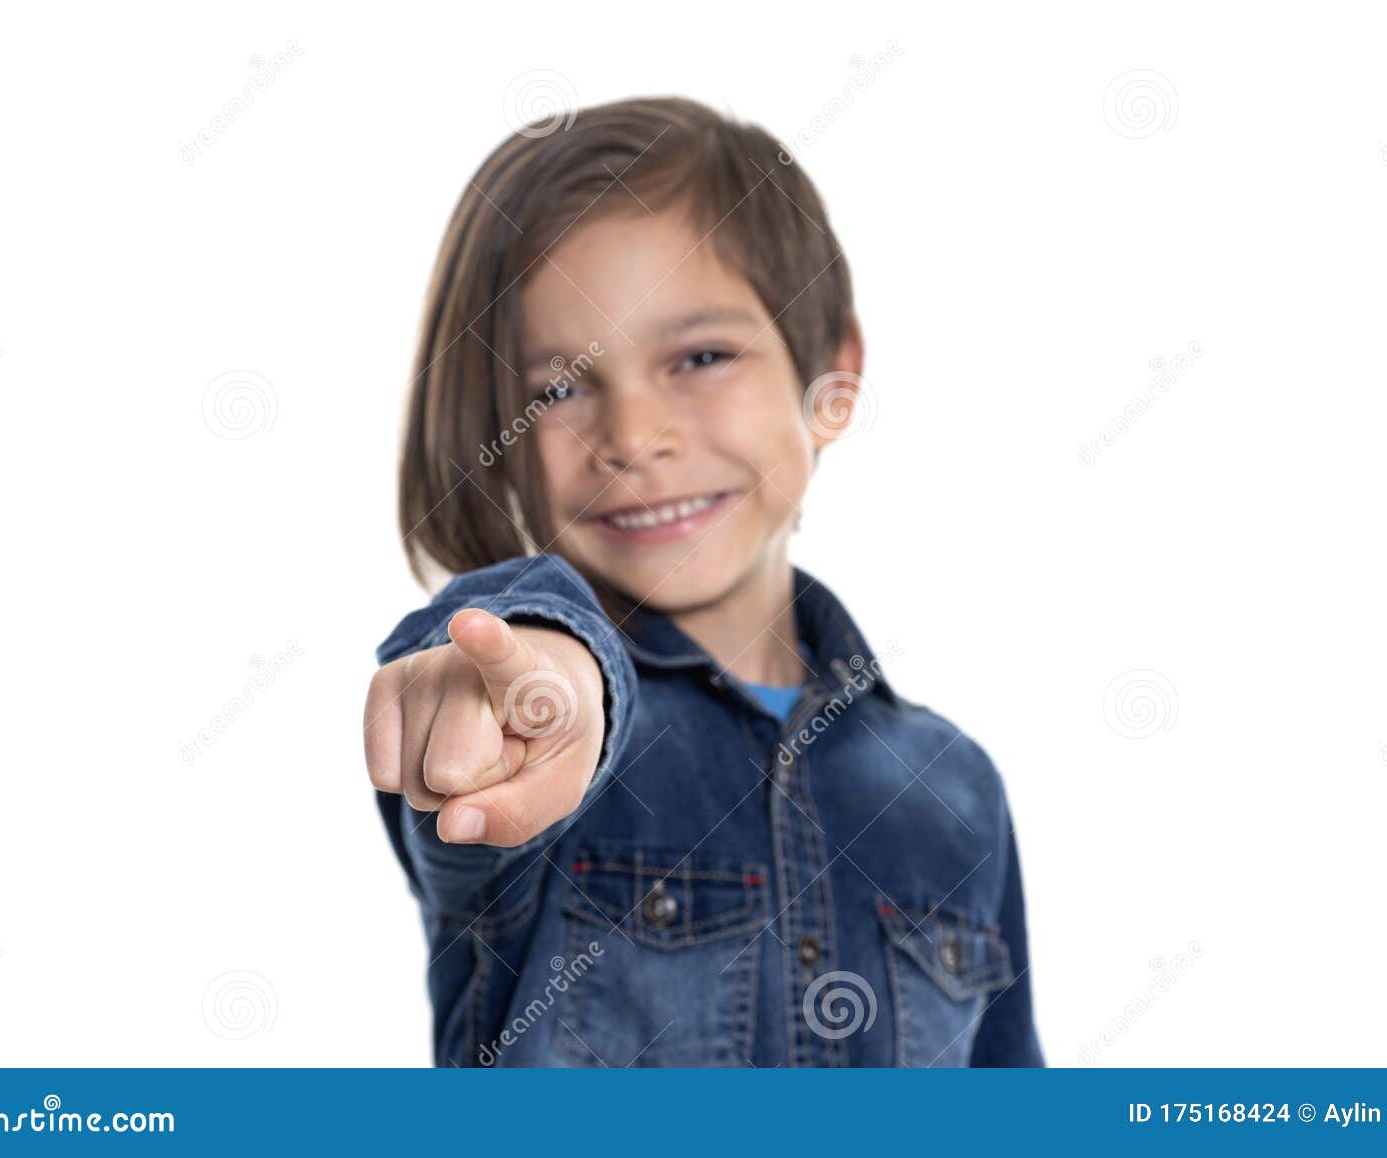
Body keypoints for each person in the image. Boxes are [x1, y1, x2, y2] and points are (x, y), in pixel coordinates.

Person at [363, 97, 1043, 1067]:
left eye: (700, 357)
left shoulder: (953, 786)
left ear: (832, 374)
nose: (633, 436)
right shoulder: (526, 739)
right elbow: (506, 652)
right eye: (556, 389)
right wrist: (530, 677)